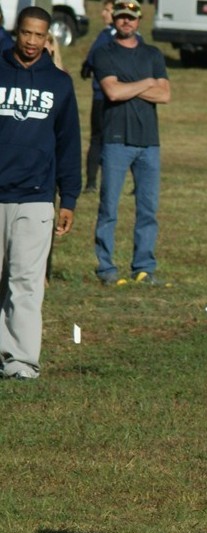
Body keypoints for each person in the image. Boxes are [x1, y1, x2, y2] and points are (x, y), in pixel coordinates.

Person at [0, 6, 82, 379]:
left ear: (48, 38)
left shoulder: (60, 83)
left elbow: (68, 144)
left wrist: (70, 199)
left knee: (26, 283)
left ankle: (21, 362)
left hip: (36, 197)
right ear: (16, 32)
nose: (31, 42)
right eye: (26, 34)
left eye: (39, 36)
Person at [90, 0, 171, 286]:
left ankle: (144, 268)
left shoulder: (153, 54)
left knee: (148, 209)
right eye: (121, 17)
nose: (126, 22)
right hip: (116, 140)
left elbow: (165, 95)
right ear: (114, 19)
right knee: (109, 207)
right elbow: (112, 92)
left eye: (131, 18)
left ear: (139, 20)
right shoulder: (103, 53)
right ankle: (106, 268)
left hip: (149, 143)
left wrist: (131, 87)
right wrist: (148, 82)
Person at [81, 0, 118, 194]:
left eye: (108, 10)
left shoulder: (106, 36)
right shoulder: (107, 35)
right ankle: (94, 182)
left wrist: (87, 67)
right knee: (104, 139)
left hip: (104, 96)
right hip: (108, 95)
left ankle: (93, 182)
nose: (104, 14)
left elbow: (91, 59)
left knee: (99, 139)